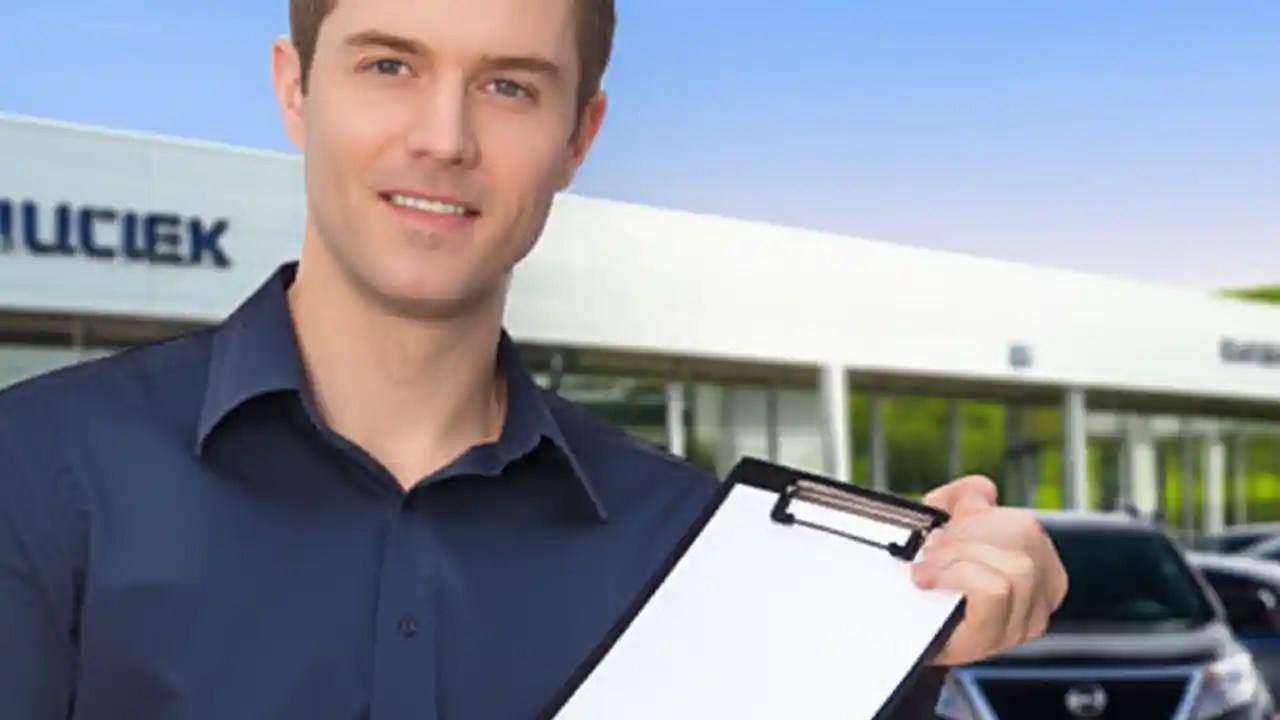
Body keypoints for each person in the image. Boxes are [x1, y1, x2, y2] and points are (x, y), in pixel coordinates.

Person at [0, 0, 1067, 717]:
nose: (443, 138)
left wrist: (900, 646)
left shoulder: (696, 558)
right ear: (295, 89)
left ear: (578, 135)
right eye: (388, 65)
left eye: (508, 86)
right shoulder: (37, 477)